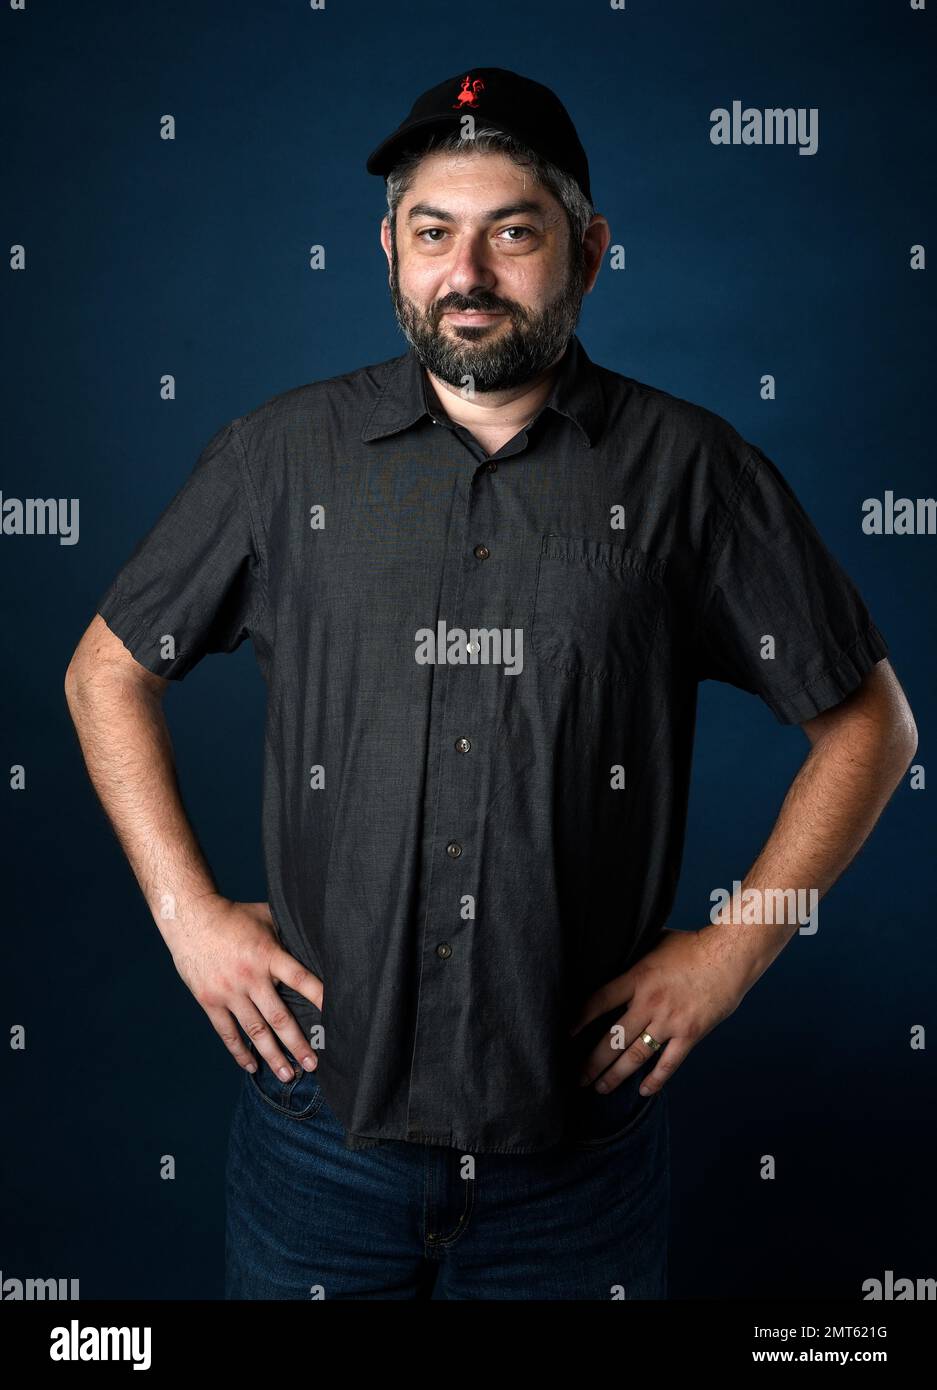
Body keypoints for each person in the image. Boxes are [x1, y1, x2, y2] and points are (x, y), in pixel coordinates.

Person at [64, 66, 917, 1300]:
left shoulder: (690, 472)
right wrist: (185, 913)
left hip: (575, 1169)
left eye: (511, 231)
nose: (466, 273)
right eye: (432, 233)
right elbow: (104, 674)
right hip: (317, 1145)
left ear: (589, 248)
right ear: (388, 250)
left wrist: (730, 954)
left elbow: (869, 727)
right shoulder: (276, 457)